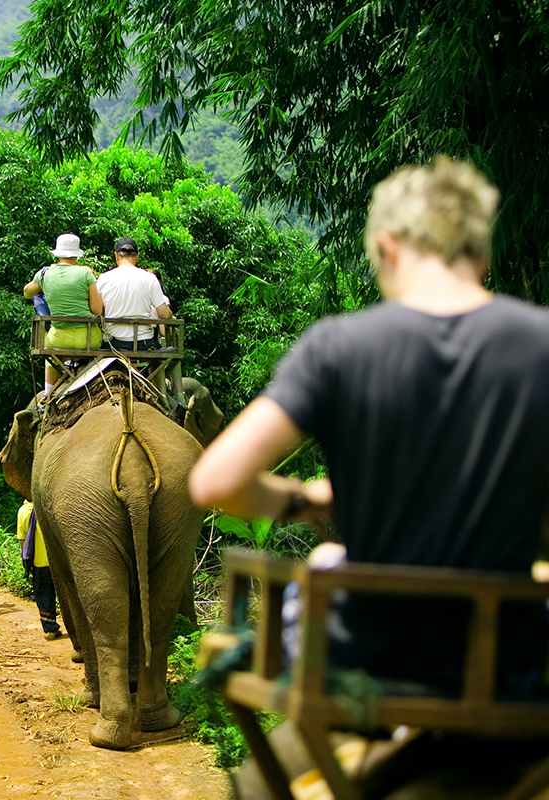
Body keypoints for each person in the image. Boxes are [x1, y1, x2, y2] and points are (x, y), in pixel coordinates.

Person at [189, 156, 549, 694]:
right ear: (480, 251)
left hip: (368, 658)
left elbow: (215, 481)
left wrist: (300, 499)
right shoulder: (539, 343)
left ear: (386, 246)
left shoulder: (338, 347)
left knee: (330, 562)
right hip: (509, 664)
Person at [23, 233, 104, 393]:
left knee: (51, 357)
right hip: (88, 339)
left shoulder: (44, 274)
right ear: (76, 254)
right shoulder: (86, 273)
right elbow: (97, 310)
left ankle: (47, 395)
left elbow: (27, 293)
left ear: (58, 253)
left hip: (58, 339)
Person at [97, 238, 173, 351]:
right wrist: (171, 314)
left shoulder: (104, 278)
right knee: (158, 353)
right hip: (144, 343)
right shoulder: (150, 278)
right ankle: (156, 369)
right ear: (137, 256)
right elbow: (165, 314)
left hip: (113, 343)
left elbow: (98, 311)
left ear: (116, 256)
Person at [16, 499, 63, 640]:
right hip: (58, 560)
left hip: (39, 561)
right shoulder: (51, 505)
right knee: (65, 594)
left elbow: (22, 540)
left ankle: (51, 628)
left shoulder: (23, 511)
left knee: (43, 592)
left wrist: (26, 561)